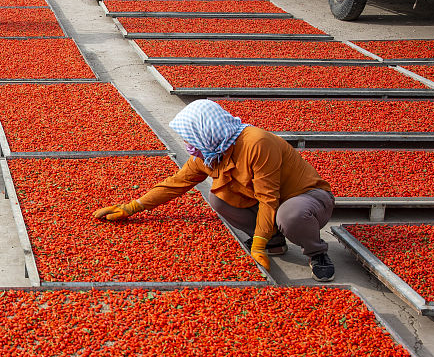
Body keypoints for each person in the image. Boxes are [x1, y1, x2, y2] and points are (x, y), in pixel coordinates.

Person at [93, 99, 337, 281]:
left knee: (290, 215)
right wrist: (133, 207)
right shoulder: (210, 153)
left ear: (206, 131)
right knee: (218, 197)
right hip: (269, 203)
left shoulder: (257, 143)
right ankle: (274, 240)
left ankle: (316, 252)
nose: (189, 145)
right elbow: (176, 183)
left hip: (306, 198)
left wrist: (257, 242)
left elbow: (269, 199)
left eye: (191, 138)